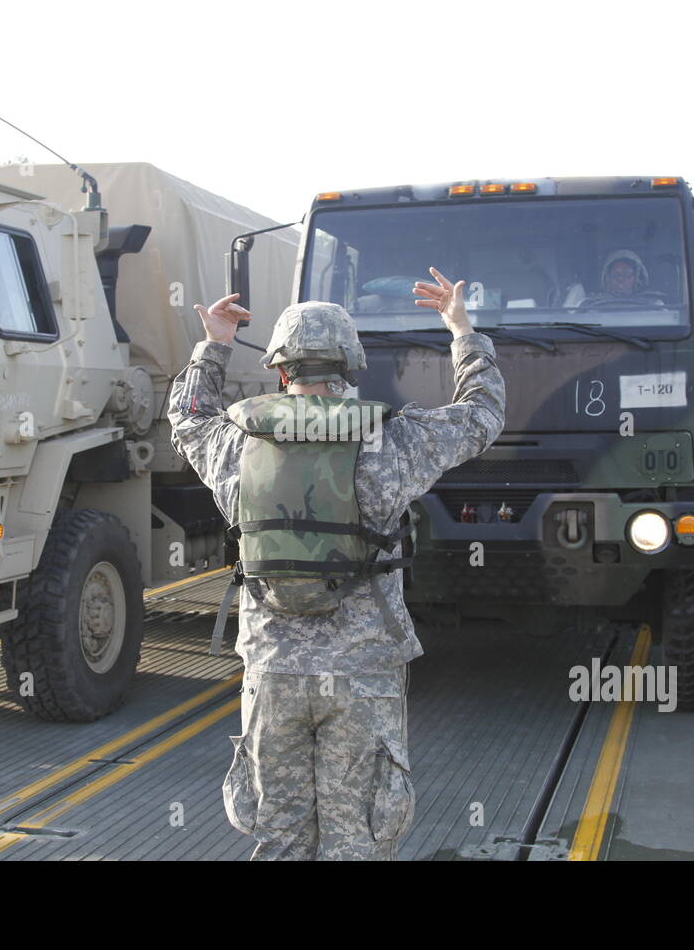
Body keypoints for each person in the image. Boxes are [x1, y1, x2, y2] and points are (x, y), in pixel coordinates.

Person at [167, 267, 505, 860]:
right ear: (350, 369)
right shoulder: (390, 438)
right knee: (359, 844)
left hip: (272, 670)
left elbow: (187, 416)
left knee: (279, 840)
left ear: (279, 369)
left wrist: (215, 343)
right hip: (362, 673)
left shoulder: (234, 441)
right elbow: (481, 416)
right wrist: (461, 330)